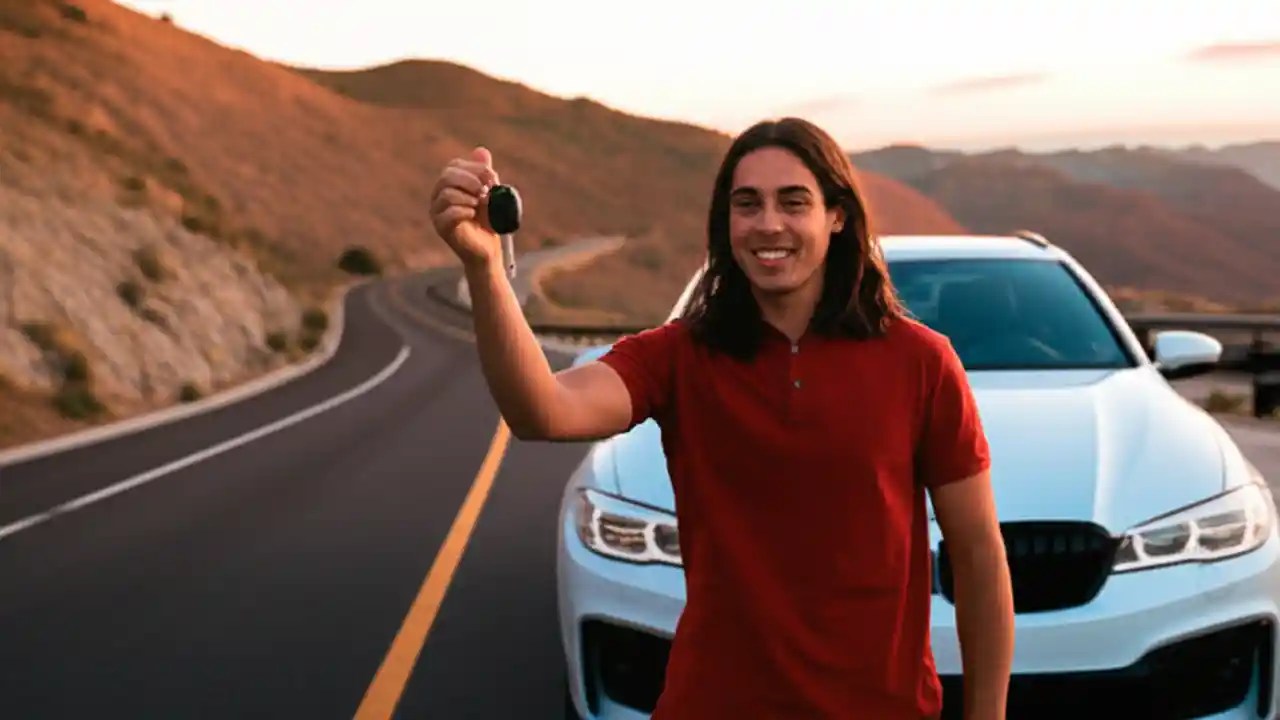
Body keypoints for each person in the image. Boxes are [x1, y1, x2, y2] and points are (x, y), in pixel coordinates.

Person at [429, 117, 1015, 720]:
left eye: (793, 202)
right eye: (747, 204)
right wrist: (485, 269)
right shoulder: (678, 356)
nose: (769, 224)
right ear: (726, 223)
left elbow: (978, 559)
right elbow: (540, 411)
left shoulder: (920, 362)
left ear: (836, 216)